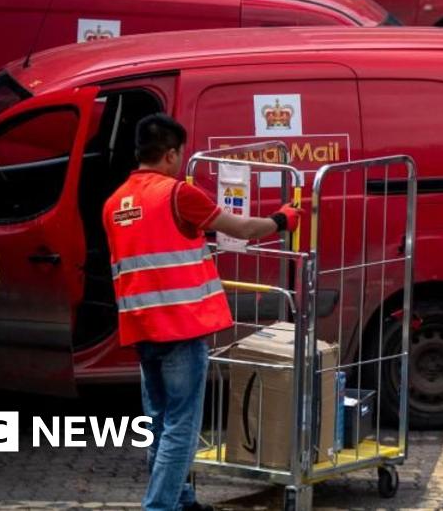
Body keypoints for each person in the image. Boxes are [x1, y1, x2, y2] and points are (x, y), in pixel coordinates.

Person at [103, 113, 299, 511]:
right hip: (180, 329)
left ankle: (181, 499)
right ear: (172, 154)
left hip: (141, 330)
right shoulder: (177, 195)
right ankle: (159, 507)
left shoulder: (113, 205)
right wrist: (282, 220)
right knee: (181, 427)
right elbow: (241, 230)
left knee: (159, 423)